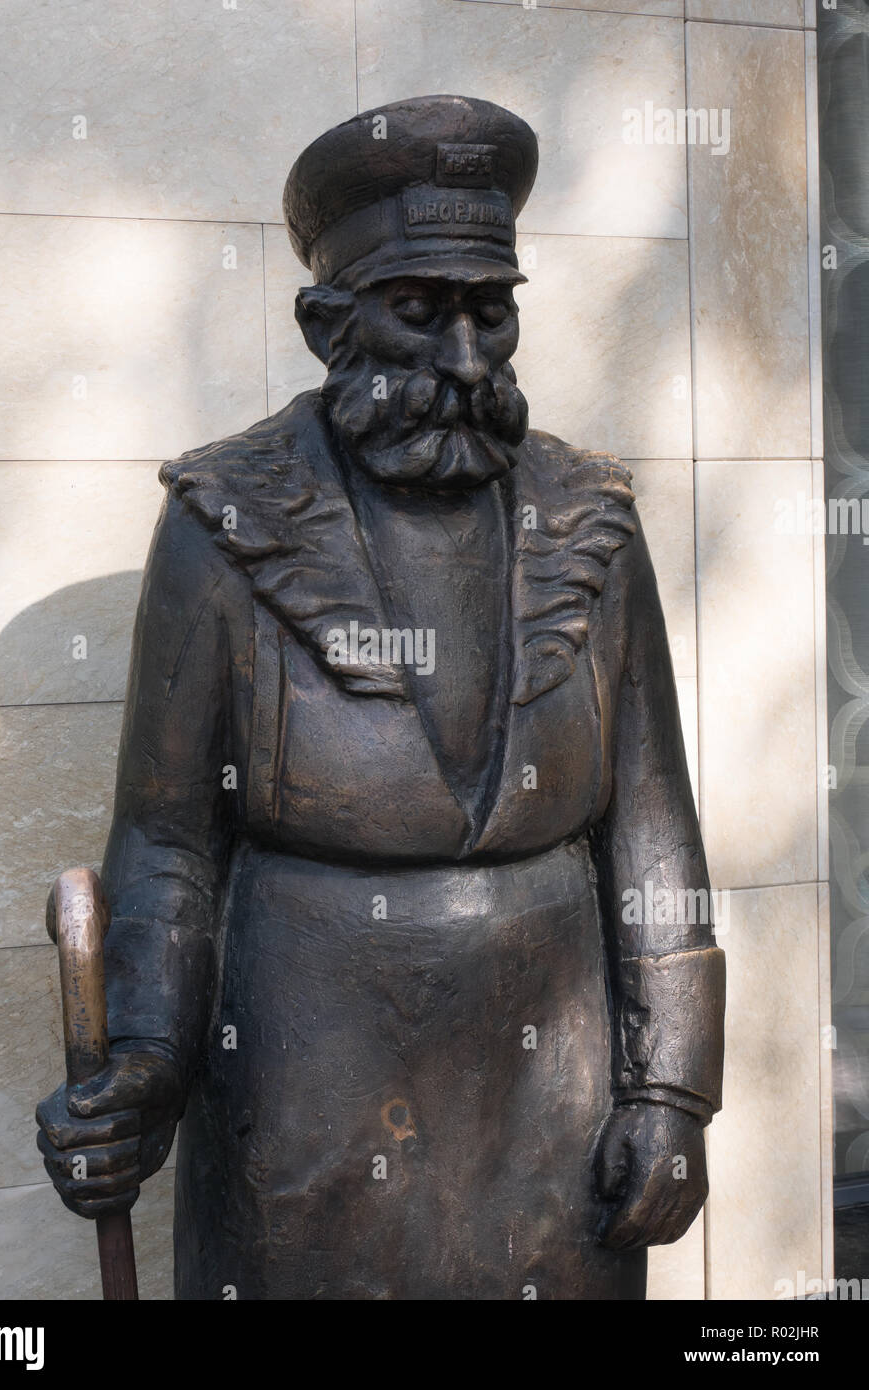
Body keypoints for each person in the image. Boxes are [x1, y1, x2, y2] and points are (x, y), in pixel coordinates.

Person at [37, 95, 724, 1300]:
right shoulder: (223, 523)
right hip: (303, 1094)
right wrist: (143, 1065)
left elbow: (652, 822)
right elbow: (165, 841)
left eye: (491, 311)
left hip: (551, 1104)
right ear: (327, 327)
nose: (464, 360)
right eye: (419, 314)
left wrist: (669, 1089)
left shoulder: (592, 518)